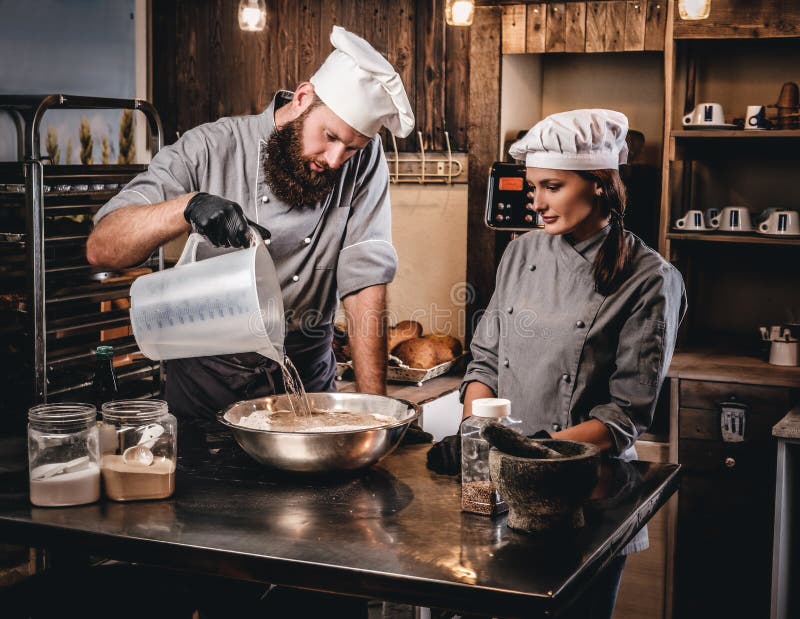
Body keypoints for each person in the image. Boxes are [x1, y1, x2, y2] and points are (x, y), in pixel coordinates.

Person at [428, 109, 687, 619]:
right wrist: (477, 439)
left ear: (599, 186)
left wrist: (527, 456)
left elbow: (624, 416)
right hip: (498, 487)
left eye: (552, 186)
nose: (537, 202)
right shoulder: (519, 251)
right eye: (533, 187)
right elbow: (484, 362)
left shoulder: (650, 279)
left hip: (584, 498)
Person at [87, 26, 414, 429]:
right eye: (328, 137)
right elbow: (103, 247)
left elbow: (364, 281)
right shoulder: (210, 147)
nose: (334, 160)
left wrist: (375, 415)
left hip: (305, 392)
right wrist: (187, 207)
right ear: (302, 98)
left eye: (351, 148)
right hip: (204, 391)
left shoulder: (364, 163)